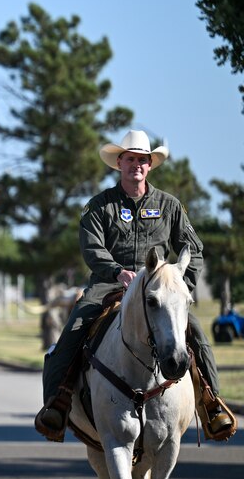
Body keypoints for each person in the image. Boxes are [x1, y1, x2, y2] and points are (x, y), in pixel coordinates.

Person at [35, 130, 236, 441]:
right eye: (130, 159)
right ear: (119, 163)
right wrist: (117, 272)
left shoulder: (170, 206)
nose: (136, 165)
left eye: (143, 160)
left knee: (195, 333)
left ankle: (212, 403)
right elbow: (92, 248)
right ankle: (57, 404)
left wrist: (180, 287)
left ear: (150, 165)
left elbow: (193, 249)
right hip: (108, 286)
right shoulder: (99, 206)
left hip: (159, 289)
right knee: (73, 331)